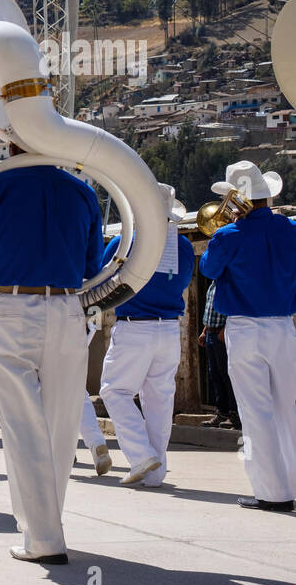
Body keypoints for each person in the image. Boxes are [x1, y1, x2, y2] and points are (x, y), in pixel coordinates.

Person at [0, 147, 103, 564]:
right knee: (60, 423)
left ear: (11, 145)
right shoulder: (82, 191)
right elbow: (92, 263)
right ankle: (38, 524)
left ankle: (45, 536)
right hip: (68, 307)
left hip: (11, 308)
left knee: (22, 423)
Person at [199, 161, 296, 512]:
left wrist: (221, 234)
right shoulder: (292, 228)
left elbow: (208, 269)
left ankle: (273, 493)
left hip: (243, 328)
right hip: (284, 325)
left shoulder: (228, 235)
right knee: (290, 408)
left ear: (237, 198)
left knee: (256, 412)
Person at [98, 184, 195, 489]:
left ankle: (141, 456)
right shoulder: (183, 246)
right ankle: (155, 472)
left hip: (134, 326)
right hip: (169, 328)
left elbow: (102, 277)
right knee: (160, 401)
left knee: (114, 392)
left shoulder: (124, 242)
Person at [198, 282, 240, 429]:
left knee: (227, 374)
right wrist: (204, 331)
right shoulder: (212, 285)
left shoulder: (228, 285)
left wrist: (225, 330)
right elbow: (210, 310)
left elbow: (233, 310)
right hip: (210, 332)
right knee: (214, 374)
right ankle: (221, 412)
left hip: (221, 334)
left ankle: (234, 414)